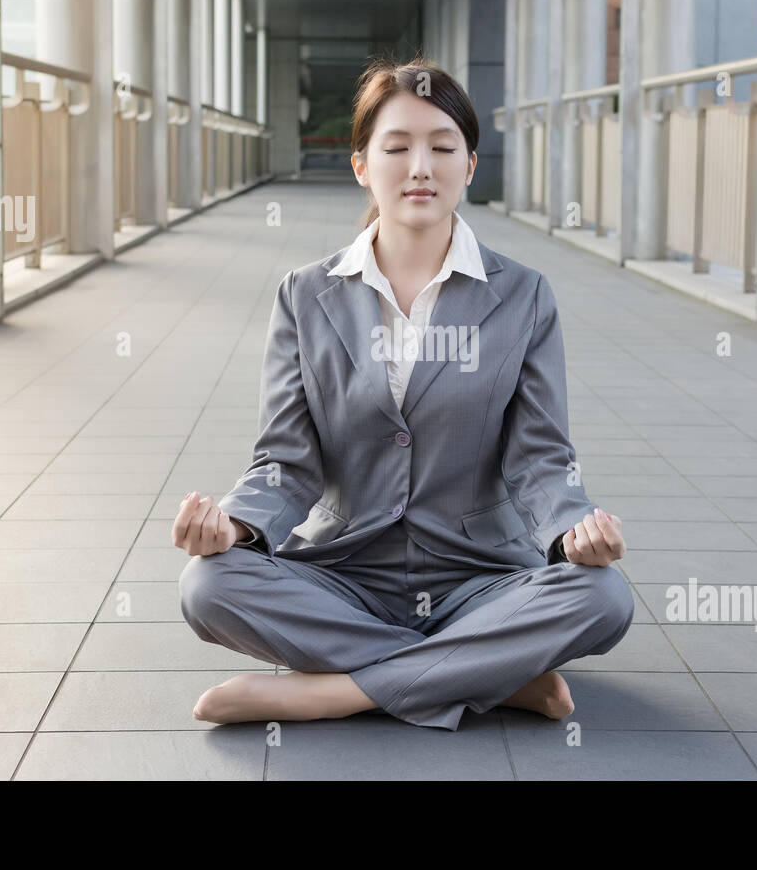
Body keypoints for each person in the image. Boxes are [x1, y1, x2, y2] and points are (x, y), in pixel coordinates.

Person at [174, 55, 634, 731]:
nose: (421, 167)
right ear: (362, 164)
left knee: (603, 599)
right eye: (397, 147)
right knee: (208, 586)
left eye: (443, 148)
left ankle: (333, 692)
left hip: (478, 577)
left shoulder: (523, 295)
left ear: (470, 165)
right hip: (345, 574)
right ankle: (495, 679)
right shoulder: (306, 296)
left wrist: (572, 533)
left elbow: (540, 458)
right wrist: (236, 525)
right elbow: (285, 460)